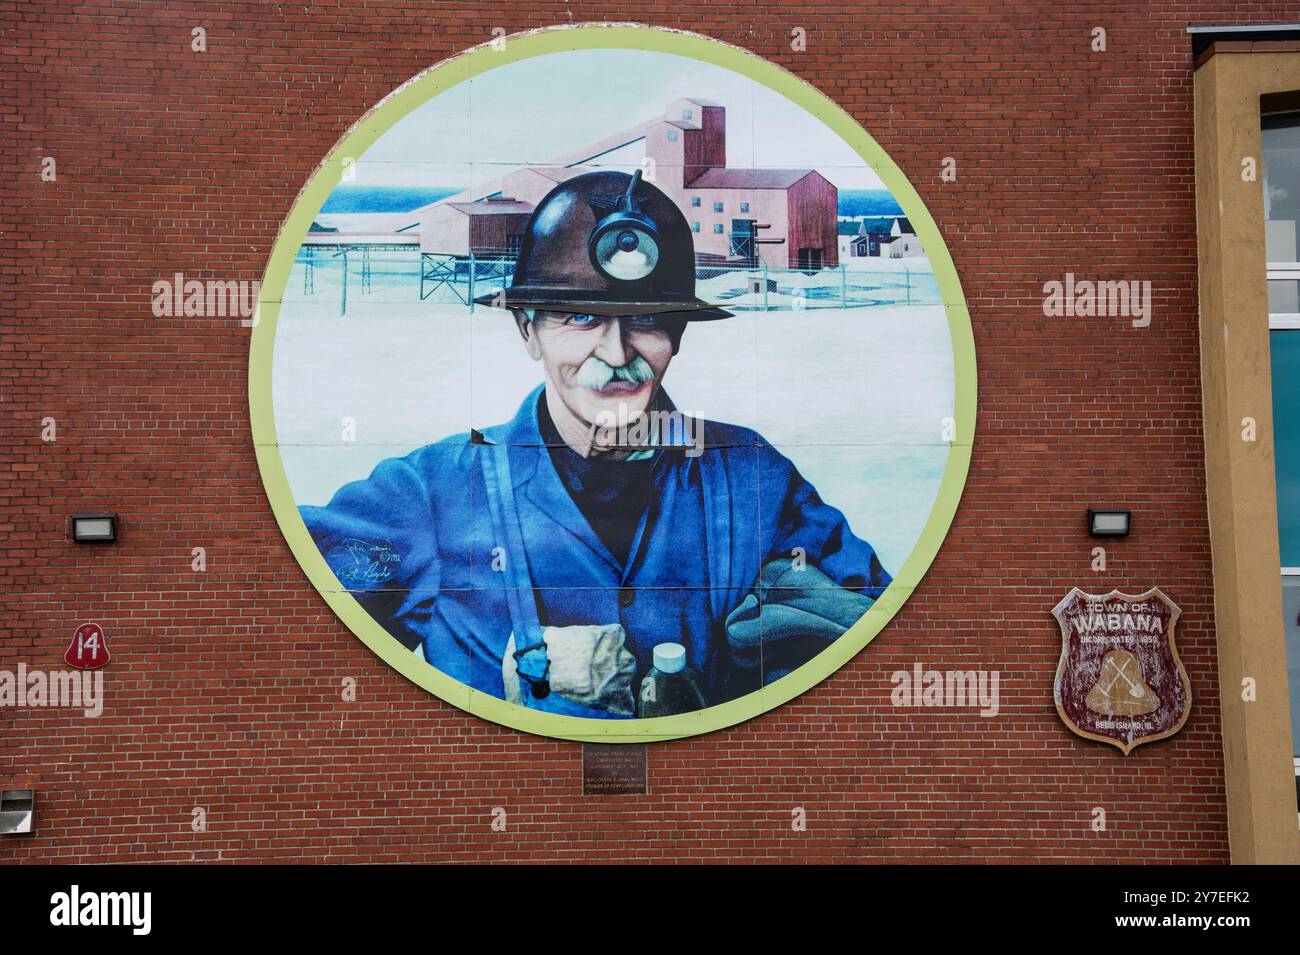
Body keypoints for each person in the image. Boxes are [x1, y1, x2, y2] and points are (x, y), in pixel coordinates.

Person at [300, 170, 890, 719]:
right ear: (528, 331)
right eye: (579, 319)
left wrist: (822, 650)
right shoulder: (433, 493)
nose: (615, 355)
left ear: (678, 337)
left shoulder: (751, 475)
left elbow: (883, 650)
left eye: (647, 321)